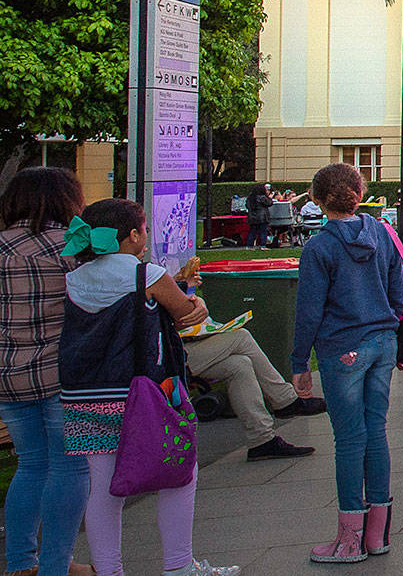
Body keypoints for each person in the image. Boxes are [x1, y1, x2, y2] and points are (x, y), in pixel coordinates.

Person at [59, 198, 236, 576]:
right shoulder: (147, 274)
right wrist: (197, 303)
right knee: (178, 472)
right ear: (134, 234)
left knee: (104, 488)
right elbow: (185, 314)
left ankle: (108, 570)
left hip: (84, 395)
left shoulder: (75, 277)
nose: (147, 236)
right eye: (144, 228)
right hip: (142, 394)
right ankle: (178, 566)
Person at [290, 163, 403, 562]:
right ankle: (377, 534)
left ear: (318, 200)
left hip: (343, 348)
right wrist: (395, 334)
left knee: (350, 440)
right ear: (359, 193)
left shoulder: (319, 247)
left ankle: (348, 539)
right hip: (383, 341)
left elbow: (309, 311)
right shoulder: (380, 232)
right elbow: (398, 286)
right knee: (376, 433)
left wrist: (299, 362)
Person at [0, 167, 90, 576]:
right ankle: (57, 565)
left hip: (9, 376)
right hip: (61, 375)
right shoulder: (73, 250)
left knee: (30, 464)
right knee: (69, 467)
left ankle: (20, 563)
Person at [176, 250, 321, 461]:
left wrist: (183, 285)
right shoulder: (146, 277)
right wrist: (182, 290)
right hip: (167, 357)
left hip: (183, 351)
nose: (145, 248)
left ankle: (262, 440)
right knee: (241, 337)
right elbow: (180, 314)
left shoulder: (148, 278)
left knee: (239, 364)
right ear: (133, 236)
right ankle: (286, 400)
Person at [246, 183, 274, 248]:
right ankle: (263, 245)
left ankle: (249, 246)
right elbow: (269, 203)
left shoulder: (250, 198)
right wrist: (269, 198)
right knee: (263, 231)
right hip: (262, 217)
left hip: (252, 217)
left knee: (252, 232)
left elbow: (247, 206)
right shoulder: (262, 197)